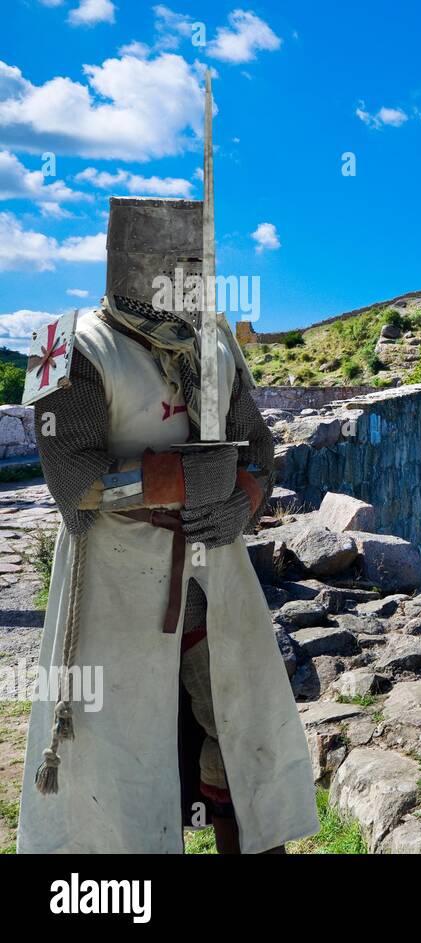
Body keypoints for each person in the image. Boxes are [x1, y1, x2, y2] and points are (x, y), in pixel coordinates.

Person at [17, 197, 318, 854]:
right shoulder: (63, 344)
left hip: (215, 584)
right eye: (180, 260)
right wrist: (182, 479)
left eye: (200, 260)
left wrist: (241, 498)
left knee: (239, 742)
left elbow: (258, 451)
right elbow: (74, 482)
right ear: (133, 260)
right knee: (116, 772)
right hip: (115, 596)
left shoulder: (213, 346)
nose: (195, 274)